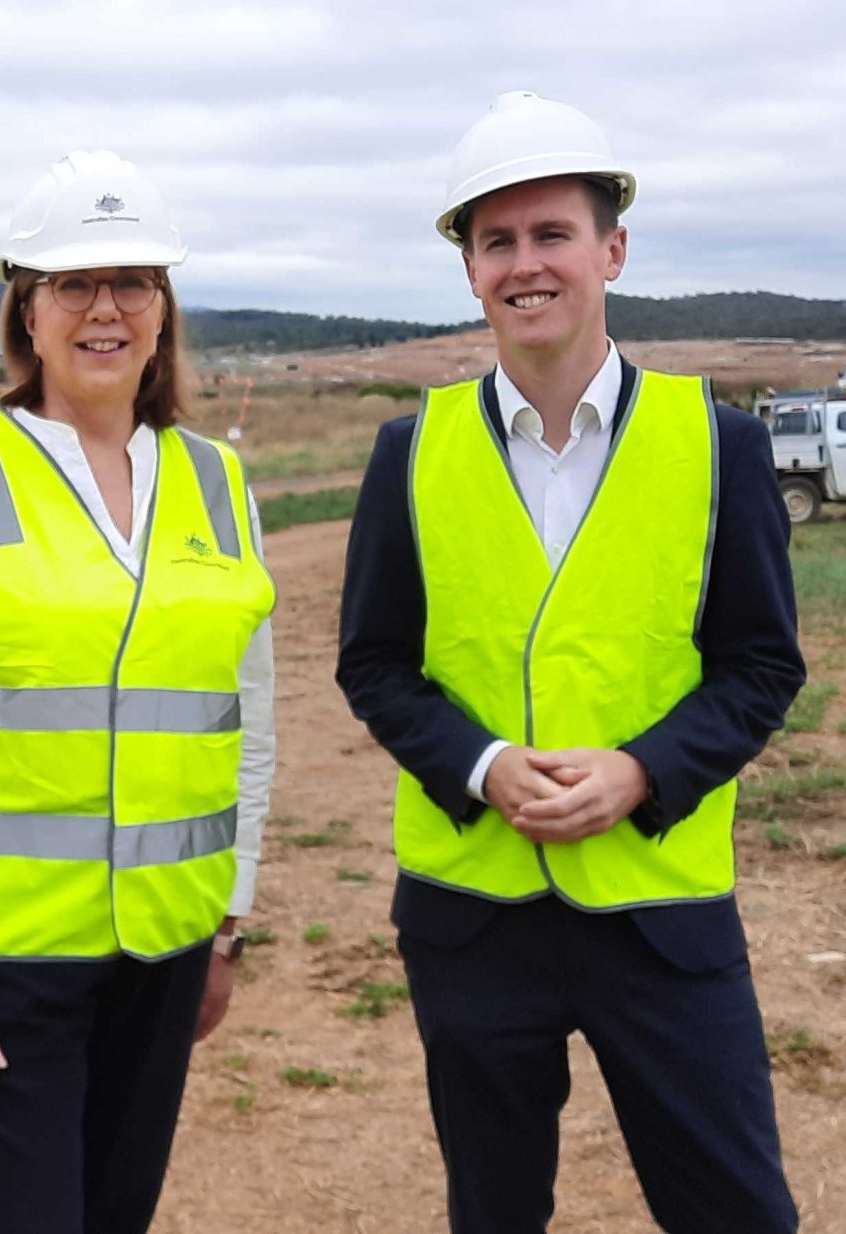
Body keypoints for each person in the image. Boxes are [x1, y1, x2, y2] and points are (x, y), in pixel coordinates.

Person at [335, 92, 804, 1234]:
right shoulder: (409, 453)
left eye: (551, 235)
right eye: (495, 241)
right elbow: (374, 662)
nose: (524, 265)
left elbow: (757, 665)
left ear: (611, 247)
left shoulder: (719, 446)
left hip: (660, 915)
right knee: (492, 1215)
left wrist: (640, 772)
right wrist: (483, 762)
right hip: (470, 920)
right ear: (467, 268)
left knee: (738, 1212)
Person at [0, 151, 278, 1233]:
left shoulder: (218, 485)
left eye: (131, 281)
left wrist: (225, 923)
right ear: (24, 313)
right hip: (3, 964)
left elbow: (243, 714)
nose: (104, 309)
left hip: (165, 950)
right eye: (71, 284)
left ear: (162, 311)